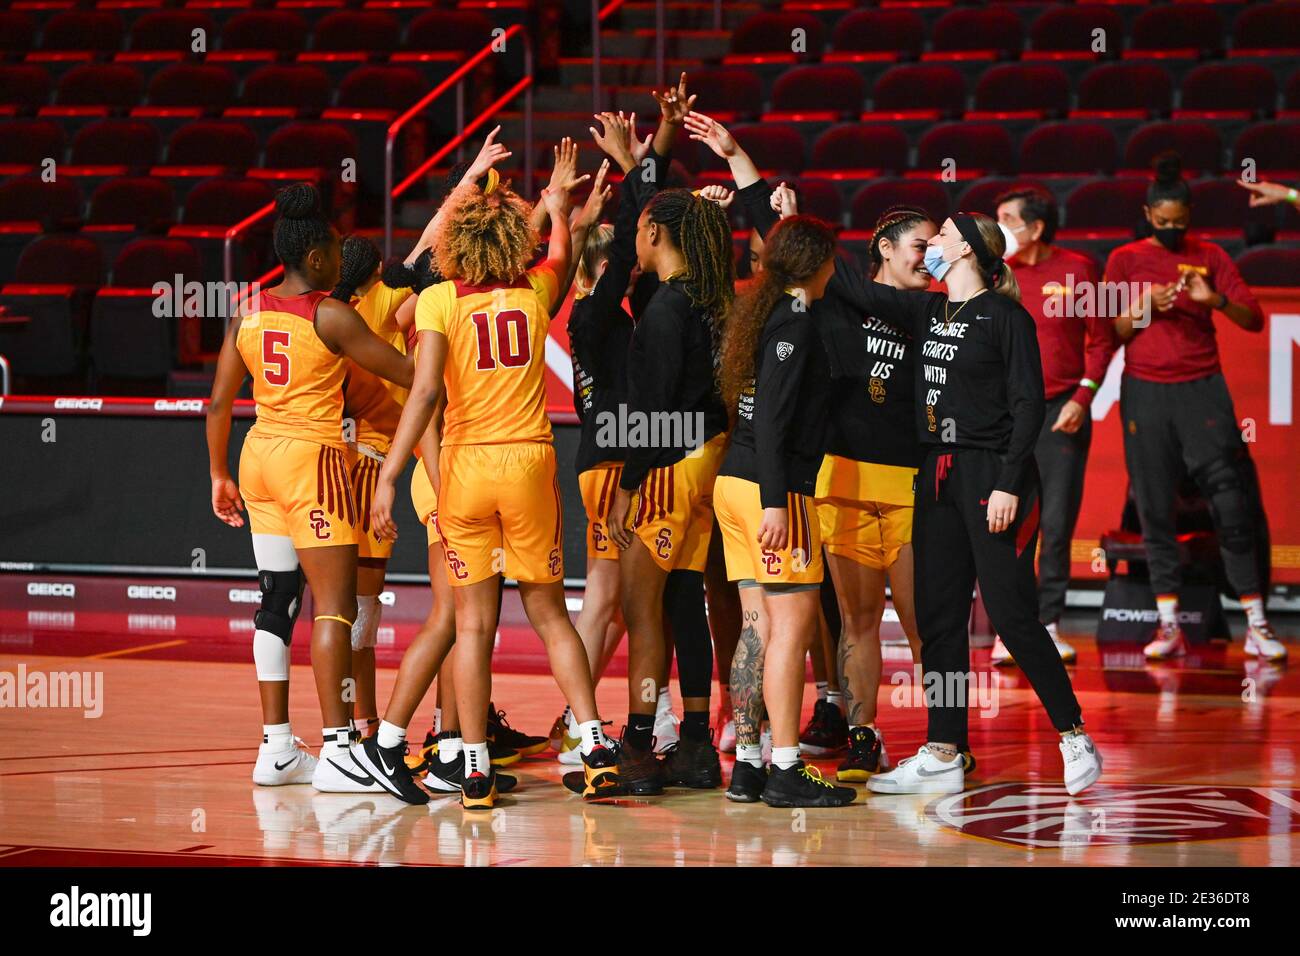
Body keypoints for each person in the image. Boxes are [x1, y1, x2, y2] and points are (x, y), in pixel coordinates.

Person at [370, 135, 620, 810]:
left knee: (471, 625)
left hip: (464, 468)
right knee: (548, 611)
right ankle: (595, 741)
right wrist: (559, 203)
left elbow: (423, 397)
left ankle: (472, 767)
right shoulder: (534, 293)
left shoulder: (437, 302)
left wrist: (391, 476)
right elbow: (562, 255)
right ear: (514, 243)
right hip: (529, 462)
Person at [206, 182, 414, 794]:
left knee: (276, 601)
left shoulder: (247, 309)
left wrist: (218, 475)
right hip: (313, 460)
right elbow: (403, 372)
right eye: (333, 248)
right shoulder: (331, 314)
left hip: (258, 454)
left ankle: (275, 748)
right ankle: (341, 751)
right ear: (319, 258)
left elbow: (220, 402)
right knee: (335, 608)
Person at [603, 73, 734, 796]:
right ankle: (693, 743)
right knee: (687, 602)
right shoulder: (714, 298)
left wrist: (626, 489)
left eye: (641, 231)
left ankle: (635, 748)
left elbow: (650, 412)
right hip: (712, 459)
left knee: (641, 607)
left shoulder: (661, 315)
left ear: (655, 234)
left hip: (669, 466)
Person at [1108, 154, 1283, 663]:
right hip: (1145, 392)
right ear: (1148, 214)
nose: (1169, 230)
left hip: (1203, 391)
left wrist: (1213, 300)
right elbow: (1111, 331)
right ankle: (1168, 626)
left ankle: (1256, 621)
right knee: (1154, 509)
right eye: (1161, 223)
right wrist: (1142, 310)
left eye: (1178, 223)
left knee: (1231, 505)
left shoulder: (1210, 254)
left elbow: (1253, 319)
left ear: (1190, 216)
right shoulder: (1123, 259)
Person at [713, 212, 856, 808]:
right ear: (818, 263)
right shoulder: (796, 325)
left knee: (756, 629)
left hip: (734, 484)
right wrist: (777, 502)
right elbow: (773, 421)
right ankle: (787, 767)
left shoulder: (763, 312)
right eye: (832, 259)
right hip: (774, 492)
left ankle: (748, 765)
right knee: (791, 632)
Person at [995, 185, 1117, 665]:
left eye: (1007, 218)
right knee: (1006, 523)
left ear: (1036, 227)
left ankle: (1047, 624)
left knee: (1058, 521)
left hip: (1062, 411)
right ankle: (1012, 627)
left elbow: (1101, 341)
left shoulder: (1080, 268)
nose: (998, 226)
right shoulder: (994, 271)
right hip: (1006, 416)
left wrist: (1083, 397)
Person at [330, 235, 419, 738]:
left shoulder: (331, 312)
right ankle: (358, 727)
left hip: (339, 464)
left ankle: (354, 723)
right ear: (373, 275)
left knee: (348, 610)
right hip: (367, 465)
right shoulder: (377, 301)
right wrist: (470, 183)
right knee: (359, 613)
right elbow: (427, 247)